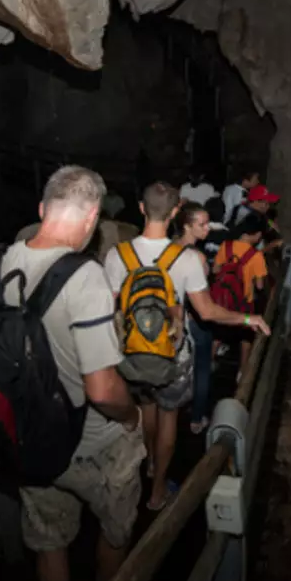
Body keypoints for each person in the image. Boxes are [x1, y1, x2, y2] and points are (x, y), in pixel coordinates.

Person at [0, 166, 144, 581]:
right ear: (93, 217)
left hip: (23, 437)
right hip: (92, 445)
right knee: (116, 533)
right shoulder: (86, 278)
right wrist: (132, 415)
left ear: (42, 208)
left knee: (49, 544)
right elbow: (101, 389)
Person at [104, 182, 269, 511]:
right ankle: (158, 490)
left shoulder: (116, 255)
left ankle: (149, 464)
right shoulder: (187, 258)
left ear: (140, 208)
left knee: (146, 408)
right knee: (168, 416)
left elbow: (111, 310)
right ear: (176, 211)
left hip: (132, 353)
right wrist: (249, 320)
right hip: (171, 355)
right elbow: (208, 312)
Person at [173, 202, 216, 434]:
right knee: (201, 368)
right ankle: (197, 418)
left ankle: (172, 411)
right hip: (193, 320)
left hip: (172, 320)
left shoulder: (167, 248)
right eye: (202, 224)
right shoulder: (197, 257)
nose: (208, 228)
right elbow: (203, 297)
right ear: (188, 226)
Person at [212, 213, 270, 376]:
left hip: (222, 299)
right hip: (244, 301)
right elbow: (259, 285)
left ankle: (208, 363)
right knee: (245, 338)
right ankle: (242, 372)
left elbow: (215, 270)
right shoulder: (256, 255)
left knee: (218, 333)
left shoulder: (226, 245)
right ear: (257, 234)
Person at [227, 183, 284, 253]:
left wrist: (270, 223)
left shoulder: (238, 208)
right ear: (255, 202)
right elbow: (247, 253)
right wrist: (271, 246)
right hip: (238, 257)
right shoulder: (256, 219)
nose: (268, 207)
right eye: (266, 203)